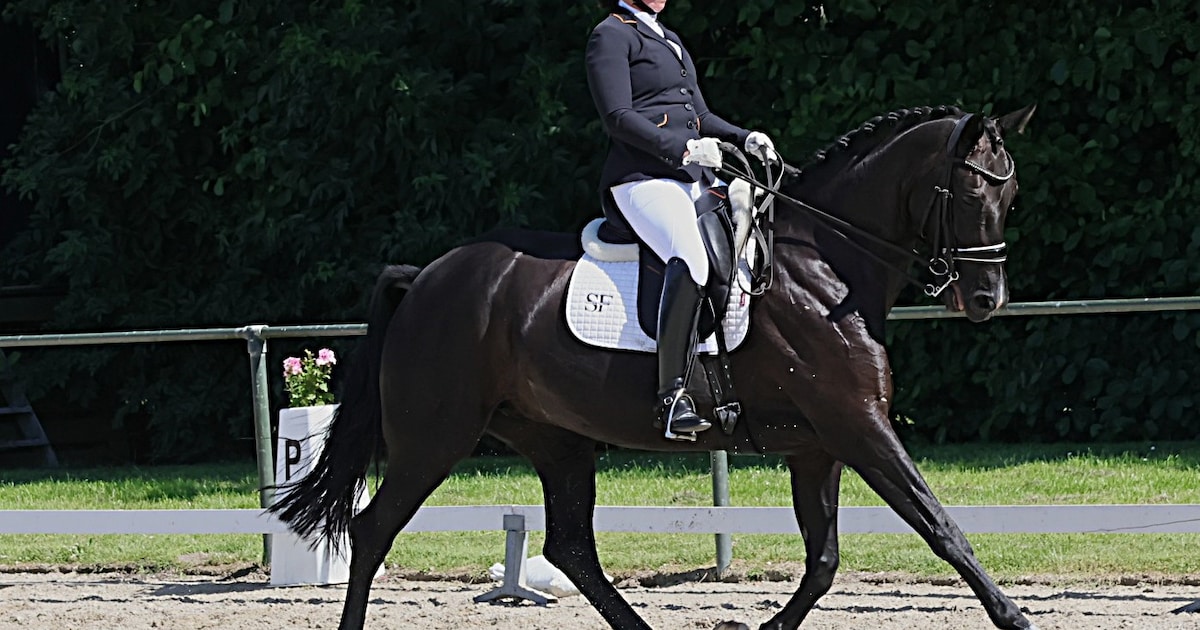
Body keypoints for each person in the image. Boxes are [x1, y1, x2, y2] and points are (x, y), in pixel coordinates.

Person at [586, 0, 776, 441]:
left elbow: (700, 117)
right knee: (690, 257)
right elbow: (618, 117)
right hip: (641, 179)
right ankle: (671, 398)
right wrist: (684, 149)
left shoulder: (668, 38)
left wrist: (743, 137)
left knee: (747, 238)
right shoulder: (611, 34)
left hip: (692, 178)